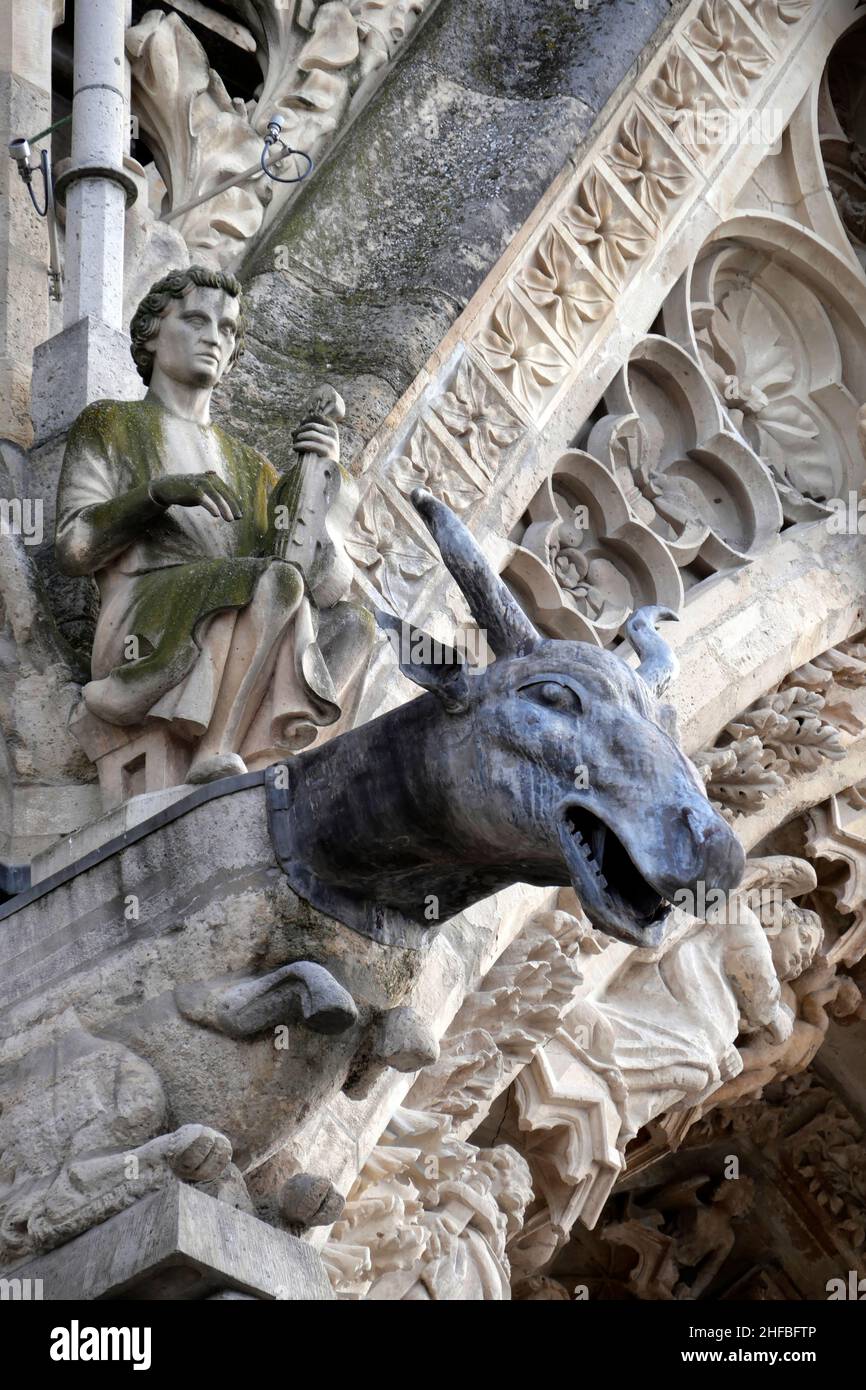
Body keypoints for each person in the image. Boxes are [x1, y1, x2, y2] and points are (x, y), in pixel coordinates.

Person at [55, 265, 371, 784]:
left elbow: (327, 583)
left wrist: (323, 482)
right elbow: (74, 548)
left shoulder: (253, 466)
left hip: (246, 606)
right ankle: (214, 750)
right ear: (151, 335)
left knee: (355, 625)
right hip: (142, 615)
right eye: (196, 320)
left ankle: (274, 757)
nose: (213, 338)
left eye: (227, 329)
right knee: (272, 580)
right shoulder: (110, 423)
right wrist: (157, 494)